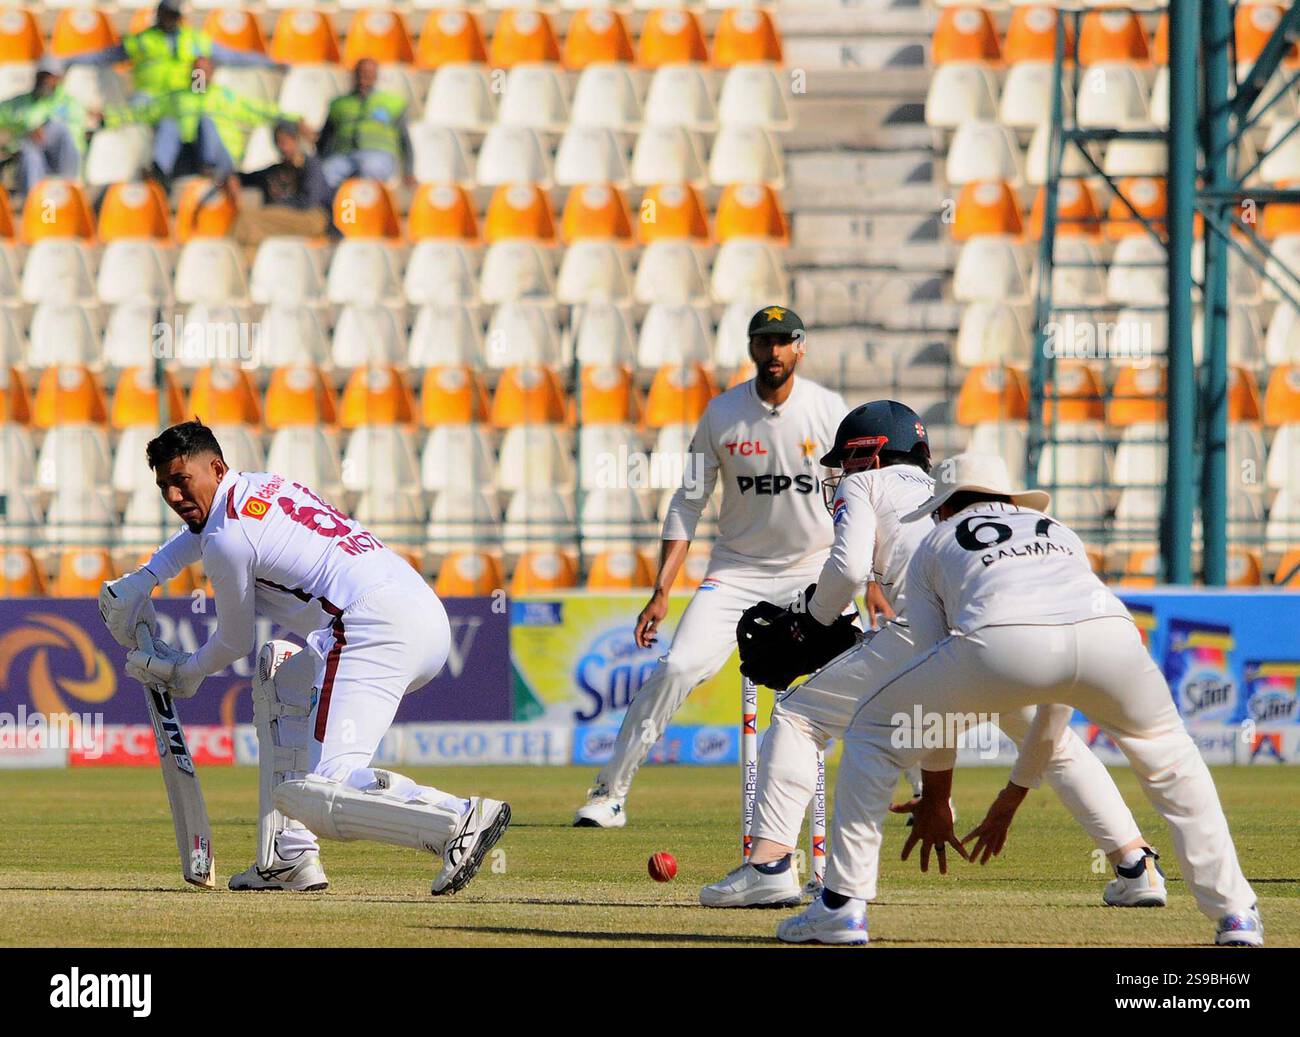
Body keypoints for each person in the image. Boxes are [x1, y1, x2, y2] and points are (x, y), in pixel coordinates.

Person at [773, 453, 1262, 946]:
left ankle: (841, 906)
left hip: (1001, 642)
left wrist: (938, 795)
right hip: (1113, 637)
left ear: (942, 508)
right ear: (1008, 498)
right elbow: (1060, 692)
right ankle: (1236, 916)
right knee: (1173, 761)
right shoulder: (1055, 528)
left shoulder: (936, 542)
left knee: (872, 732)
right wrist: (1014, 792)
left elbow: (932, 689)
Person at [704, 409, 1167, 910]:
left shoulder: (864, 485)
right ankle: (1135, 865)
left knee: (798, 716)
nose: (842, 472)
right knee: (1050, 743)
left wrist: (812, 620)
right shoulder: (947, 491)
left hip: (930, 635)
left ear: (869, 453)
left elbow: (850, 567)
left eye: (848, 459)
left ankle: (771, 864)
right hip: (999, 635)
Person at [98, 421, 511, 894]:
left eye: (181, 480)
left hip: (368, 624)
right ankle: (287, 856)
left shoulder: (228, 539)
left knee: (321, 789)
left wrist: (185, 673)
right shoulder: (260, 485)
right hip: (419, 611)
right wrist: (148, 575)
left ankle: (457, 818)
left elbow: (233, 641)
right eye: (163, 486)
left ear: (215, 467)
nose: (173, 495)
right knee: (282, 684)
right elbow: (203, 531)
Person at [572, 305, 851, 828]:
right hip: (738, 570)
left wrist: (866, 571)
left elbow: (857, 491)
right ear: (750, 348)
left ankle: (924, 790)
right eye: (763, 342)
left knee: (868, 665)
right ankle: (610, 794)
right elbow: (688, 502)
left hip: (815, 567)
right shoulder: (723, 414)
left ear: (801, 346)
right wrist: (661, 590)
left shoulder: (827, 409)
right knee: (676, 668)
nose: (773, 353)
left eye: (783, 341)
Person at [103, 56, 294, 188]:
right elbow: (142, 112)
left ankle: (209, 169)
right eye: (197, 71)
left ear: (211, 73)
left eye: (204, 71)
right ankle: (160, 172)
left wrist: (293, 118)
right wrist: (107, 118)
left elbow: (257, 111)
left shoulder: (223, 97)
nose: (200, 75)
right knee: (169, 124)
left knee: (206, 120)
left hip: (219, 160)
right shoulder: (177, 98)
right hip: (187, 156)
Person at [63, 0, 279, 101]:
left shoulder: (193, 39)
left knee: (203, 100)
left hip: (186, 95)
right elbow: (104, 56)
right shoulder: (143, 40)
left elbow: (233, 57)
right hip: (150, 97)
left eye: (175, 14)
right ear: (160, 14)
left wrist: (273, 61)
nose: (171, 19)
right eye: (168, 14)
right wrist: (67, 60)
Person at [228, 120, 330, 260]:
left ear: (296, 141)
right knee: (249, 242)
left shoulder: (309, 166)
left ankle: (229, 258)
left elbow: (309, 201)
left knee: (248, 220)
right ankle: (240, 264)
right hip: (276, 221)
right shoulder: (275, 171)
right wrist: (231, 177)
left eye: (286, 141)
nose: (282, 147)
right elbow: (245, 178)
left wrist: (276, 204)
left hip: (309, 218)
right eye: (279, 142)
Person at [316, 58, 413, 192]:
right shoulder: (339, 105)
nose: (363, 78)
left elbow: (405, 140)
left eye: (368, 74)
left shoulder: (392, 103)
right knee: (325, 174)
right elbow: (325, 139)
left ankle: (365, 210)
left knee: (368, 170)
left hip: (378, 155)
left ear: (375, 76)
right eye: (360, 74)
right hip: (344, 155)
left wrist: (409, 171)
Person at [0, 62, 89, 196]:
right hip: (31, 155)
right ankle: (33, 201)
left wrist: (47, 130)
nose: (45, 81)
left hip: (61, 158)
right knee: (29, 149)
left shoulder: (70, 103)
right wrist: (23, 136)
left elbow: (76, 136)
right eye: (42, 76)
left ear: (58, 79)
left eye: (49, 77)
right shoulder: (18, 103)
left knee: (58, 128)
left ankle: (68, 193)